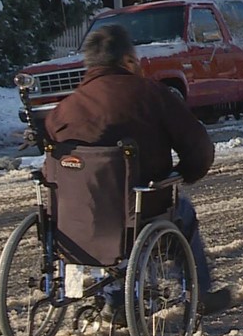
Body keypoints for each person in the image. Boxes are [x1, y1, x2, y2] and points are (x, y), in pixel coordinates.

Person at [44, 23, 232, 316]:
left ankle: (114, 294)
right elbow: (199, 149)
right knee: (182, 210)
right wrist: (187, 172)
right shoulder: (152, 95)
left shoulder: (64, 109)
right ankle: (200, 294)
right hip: (137, 211)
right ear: (129, 62)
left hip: (73, 221)